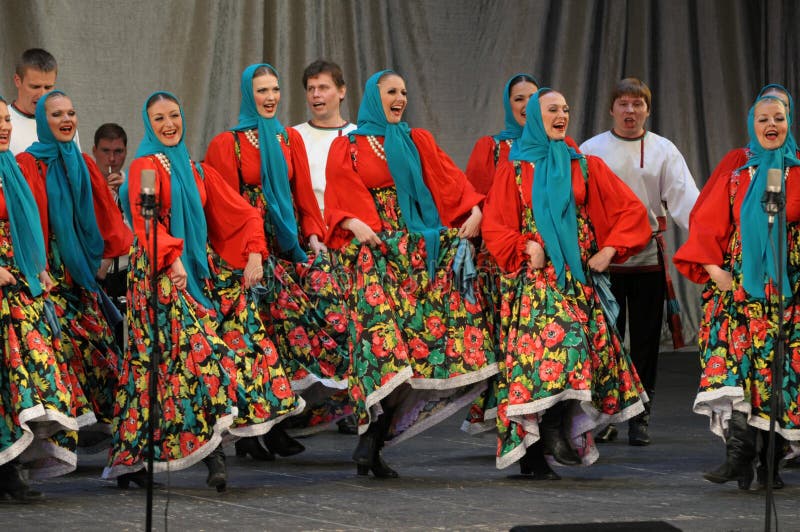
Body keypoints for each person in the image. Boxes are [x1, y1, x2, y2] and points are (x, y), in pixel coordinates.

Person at [103, 91, 303, 491]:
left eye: (174, 115)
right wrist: (171, 258)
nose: (169, 124)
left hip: (195, 272)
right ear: (149, 124)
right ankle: (201, 458)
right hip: (160, 277)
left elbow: (240, 212)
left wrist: (254, 253)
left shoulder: (196, 171)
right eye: (159, 119)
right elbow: (144, 224)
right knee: (180, 362)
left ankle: (187, 455)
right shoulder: (144, 167)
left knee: (216, 351)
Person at [324, 69, 497, 478]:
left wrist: (473, 210)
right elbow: (337, 200)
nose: (400, 98)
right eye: (391, 92)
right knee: (382, 348)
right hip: (375, 254)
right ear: (373, 97)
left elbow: (451, 182)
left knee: (422, 348)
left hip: (420, 253)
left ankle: (375, 441)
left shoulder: (418, 140)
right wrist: (352, 223)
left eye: (403, 92)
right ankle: (370, 433)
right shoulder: (347, 146)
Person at [482, 88, 651, 479]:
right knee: (558, 349)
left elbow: (631, 211)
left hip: (576, 280)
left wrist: (608, 251)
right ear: (536, 119)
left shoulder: (584, 166)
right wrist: (525, 245)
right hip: (534, 281)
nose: (562, 115)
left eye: (566, 109)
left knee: (563, 360)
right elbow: (495, 224)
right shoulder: (515, 168)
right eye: (552, 110)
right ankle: (548, 437)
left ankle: (544, 442)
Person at [205, 63, 350, 457]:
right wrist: (242, 257)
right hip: (246, 252)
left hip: (285, 248)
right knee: (257, 340)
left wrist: (315, 237)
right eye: (261, 91)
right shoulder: (227, 144)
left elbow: (303, 196)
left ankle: (276, 426)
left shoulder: (288, 139)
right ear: (246, 95)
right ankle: (257, 432)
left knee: (294, 333)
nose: (270, 97)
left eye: (275, 89)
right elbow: (221, 208)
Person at [673, 89, 800, 490]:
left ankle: (770, 465)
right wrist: (715, 270)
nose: (771, 126)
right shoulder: (736, 177)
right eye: (763, 119)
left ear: (789, 122)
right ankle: (739, 455)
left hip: (789, 294)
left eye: (778, 118)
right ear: (752, 125)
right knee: (737, 372)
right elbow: (706, 224)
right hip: (740, 294)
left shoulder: (798, 173)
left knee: (780, 378)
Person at [580, 78, 699, 446]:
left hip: (646, 255)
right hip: (604, 259)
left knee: (646, 341)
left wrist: (712, 243)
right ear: (611, 109)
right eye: (623, 104)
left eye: (637, 105)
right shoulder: (591, 149)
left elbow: (686, 201)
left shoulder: (663, 150)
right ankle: (609, 413)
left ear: (648, 109)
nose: (630, 111)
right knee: (608, 340)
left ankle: (641, 414)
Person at [16, 91, 132, 448]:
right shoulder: (27, 163)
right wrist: (37, 270)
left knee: (106, 359)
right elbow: (25, 224)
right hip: (45, 279)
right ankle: (48, 449)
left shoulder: (82, 162)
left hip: (80, 278)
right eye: (56, 114)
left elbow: (108, 221)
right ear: (42, 122)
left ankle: (125, 452)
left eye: (71, 112)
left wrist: (106, 261)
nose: (66, 119)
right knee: (59, 357)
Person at [0, 95, 94, 501]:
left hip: (19, 279)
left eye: (6, 120)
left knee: (30, 372)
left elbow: (27, 224)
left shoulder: (9, 167)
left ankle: (12, 464)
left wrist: (37, 267)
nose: (5, 127)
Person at [292, 59, 358, 209]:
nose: (316, 94)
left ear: (342, 91)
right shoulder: (293, 135)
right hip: (307, 225)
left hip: (350, 225)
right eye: (311, 89)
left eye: (323, 88)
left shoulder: (358, 135)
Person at [92, 123, 130, 345]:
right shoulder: (85, 184)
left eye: (118, 151)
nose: (112, 159)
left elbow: (141, 232)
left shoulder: (132, 185)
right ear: (94, 150)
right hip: (96, 274)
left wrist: (124, 194)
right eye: (105, 151)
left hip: (125, 273)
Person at [9, 48, 80, 154]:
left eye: (48, 87)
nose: (42, 95)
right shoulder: (4, 123)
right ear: (17, 81)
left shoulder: (64, 123)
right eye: (35, 87)